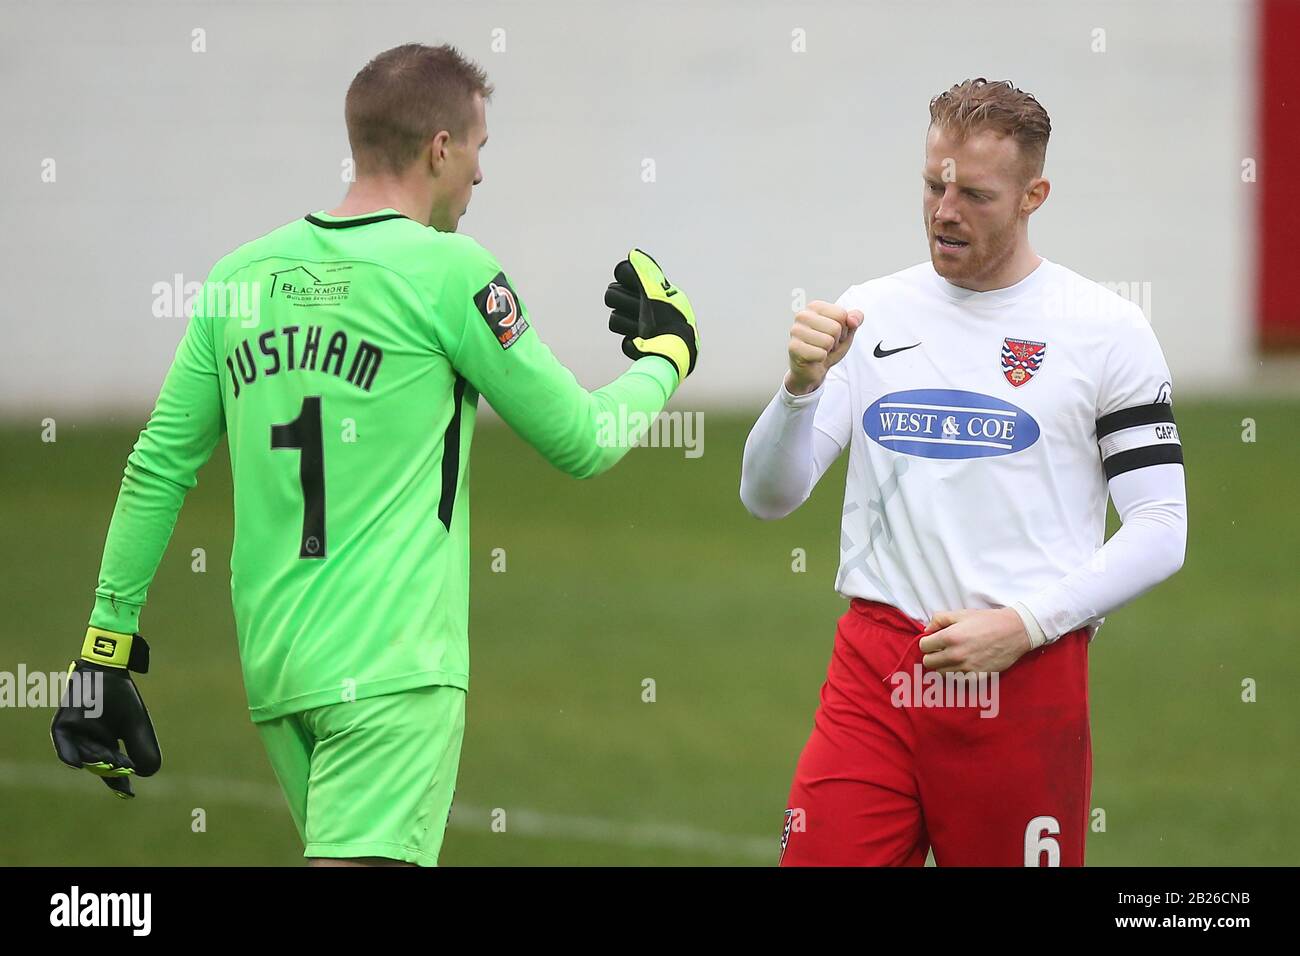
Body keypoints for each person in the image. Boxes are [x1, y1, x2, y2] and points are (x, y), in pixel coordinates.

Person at [50, 42, 699, 867]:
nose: (480, 177)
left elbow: (157, 466)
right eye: (478, 151)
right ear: (439, 148)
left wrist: (104, 646)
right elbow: (581, 439)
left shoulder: (239, 279)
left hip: (280, 674)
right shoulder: (450, 274)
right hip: (394, 675)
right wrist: (668, 356)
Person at [740, 78, 1186, 866]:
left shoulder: (1105, 330)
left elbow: (1160, 529)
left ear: (1033, 195)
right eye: (933, 184)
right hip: (875, 673)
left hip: (1024, 676)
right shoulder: (869, 313)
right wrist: (799, 390)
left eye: (976, 194)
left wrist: (1025, 625)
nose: (945, 211)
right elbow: (768, 497)